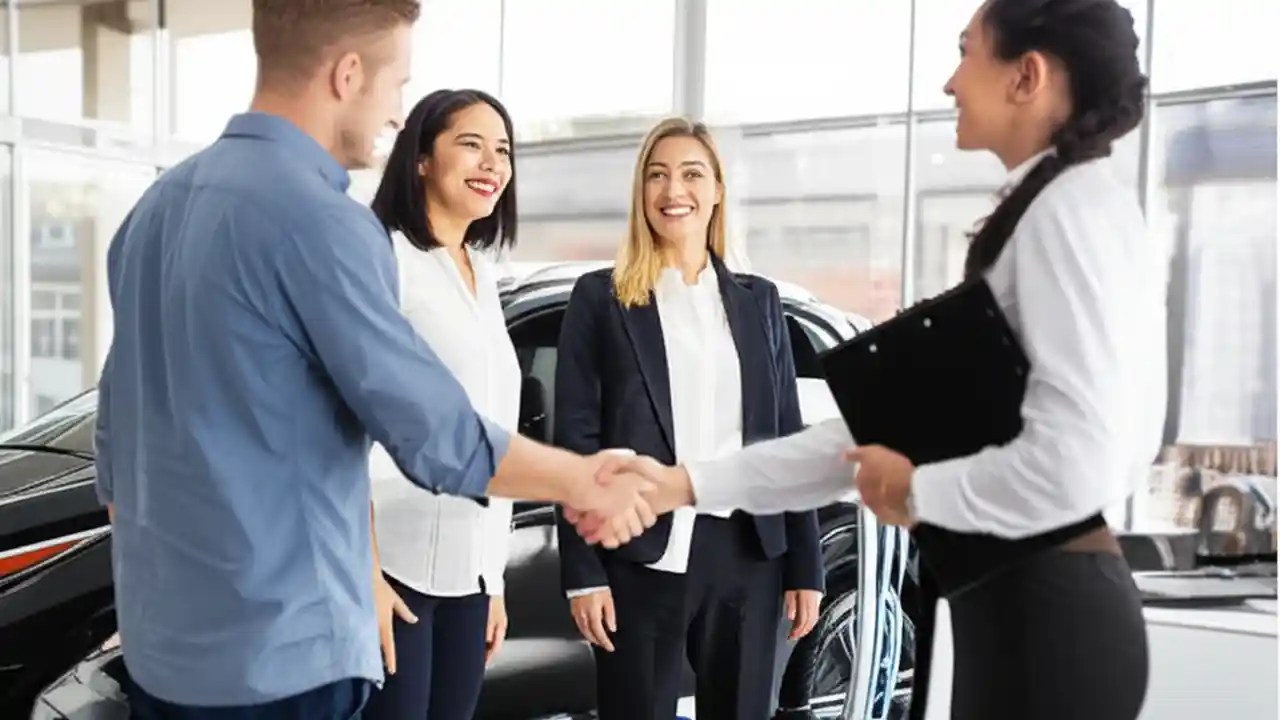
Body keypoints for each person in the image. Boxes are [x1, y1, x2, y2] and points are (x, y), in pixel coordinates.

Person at [572, 1, 1163, 718]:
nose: (948, 81)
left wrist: (918, 490)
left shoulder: (1067, 216)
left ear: (1026, 76)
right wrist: (683, 484)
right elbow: (860, 438)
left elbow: (1082, 459)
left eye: (966, 51)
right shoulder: (1057, 210)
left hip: (1048, 613)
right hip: (1025, 603)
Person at [93, 2, 656, 718]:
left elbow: (116, 449)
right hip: (285, 659)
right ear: (347, 73)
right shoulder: (325, 223)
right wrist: (582, 477)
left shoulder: (155, 210)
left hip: (166, 654)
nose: (396, 112)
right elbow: (435, 435)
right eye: (397, 85)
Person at [553, 117, 825, 720]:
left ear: (718, 190)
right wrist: (583, 574)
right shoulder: (600, 300)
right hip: (639, 556)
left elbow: (786, 434)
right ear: (641, 194)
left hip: (750, 554)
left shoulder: (760, 303)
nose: (674, 190)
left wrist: (806, 565)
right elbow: (575, 443)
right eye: (657, 175)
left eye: (691, 174)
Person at [360, 88, 521, 720]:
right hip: (393, 567)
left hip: (469, 575)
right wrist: (362, 573)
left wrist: (496, 581)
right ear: (421, 158)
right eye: (471, 144)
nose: (492, 165)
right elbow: (343, 426)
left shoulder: (480, 273)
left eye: (503, 151)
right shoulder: (384, 257)